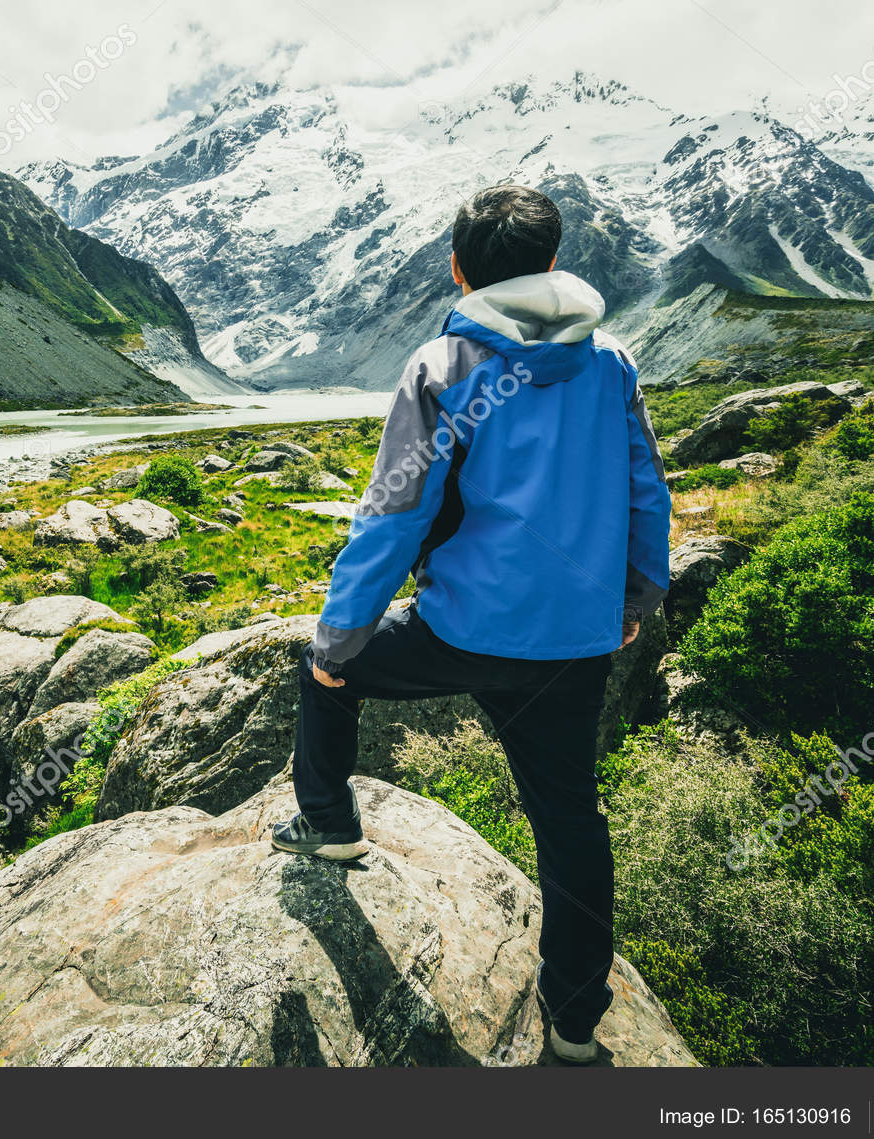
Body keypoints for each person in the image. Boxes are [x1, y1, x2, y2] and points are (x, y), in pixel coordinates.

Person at [272, 182, 673, 1063]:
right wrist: (637, 600)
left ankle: (330, 823)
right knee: (570, 820)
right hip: (574, 641)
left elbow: (394, 514)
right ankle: (573, 1025)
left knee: (323, 672)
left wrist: (339, 643)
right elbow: (647, 486)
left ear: (458, 268)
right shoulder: (610, 363)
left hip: (460, 630)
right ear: (554, 263)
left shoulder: (444, 367)